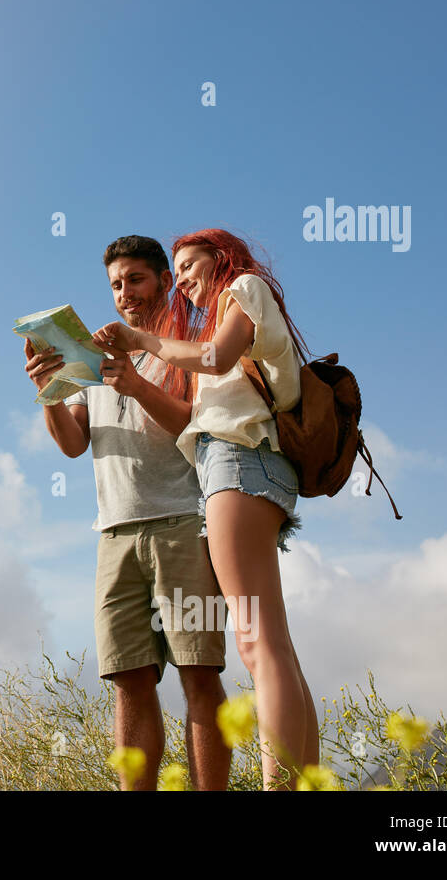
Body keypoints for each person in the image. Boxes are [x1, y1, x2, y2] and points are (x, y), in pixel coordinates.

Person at [91, 228, 319, 789]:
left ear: (221, 260)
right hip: (241, 466)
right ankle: (304, 781)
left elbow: (214, 360)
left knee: (256, 643)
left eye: (191, 266)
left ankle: (282, 784)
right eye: (181, 268)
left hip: (239, 465)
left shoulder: (241, 290)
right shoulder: (223, 312)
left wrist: (142, 344)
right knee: (271, 644)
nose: (187, 278)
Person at [24, 235, 231, 791]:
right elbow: (72, 442)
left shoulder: (186, 345)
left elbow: (194, 426)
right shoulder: (89, 361)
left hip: (183, 525)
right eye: (116, 285)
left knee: (198, 674)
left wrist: (137, 384)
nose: (125, 294)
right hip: (113, 535)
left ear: (164, 280)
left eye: (136, 279)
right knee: (128, 682)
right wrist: (48, 388)